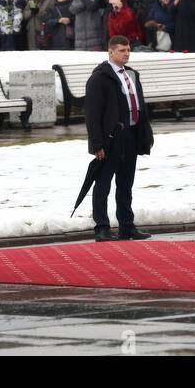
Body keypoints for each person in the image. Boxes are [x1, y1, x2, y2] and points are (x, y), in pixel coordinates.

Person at [84, 36, 154, 242]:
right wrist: (97, 144)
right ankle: (102, 228)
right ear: (111, 52)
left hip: (131, 135)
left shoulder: (132, 74)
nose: (126, 53)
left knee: (126, 183)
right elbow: (92, 114)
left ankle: (126, 225)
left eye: (128, 50)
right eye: (122, 50)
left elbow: (140, 106)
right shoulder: (99, 78)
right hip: (110, 138)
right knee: (103, 184)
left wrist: (145, 134)